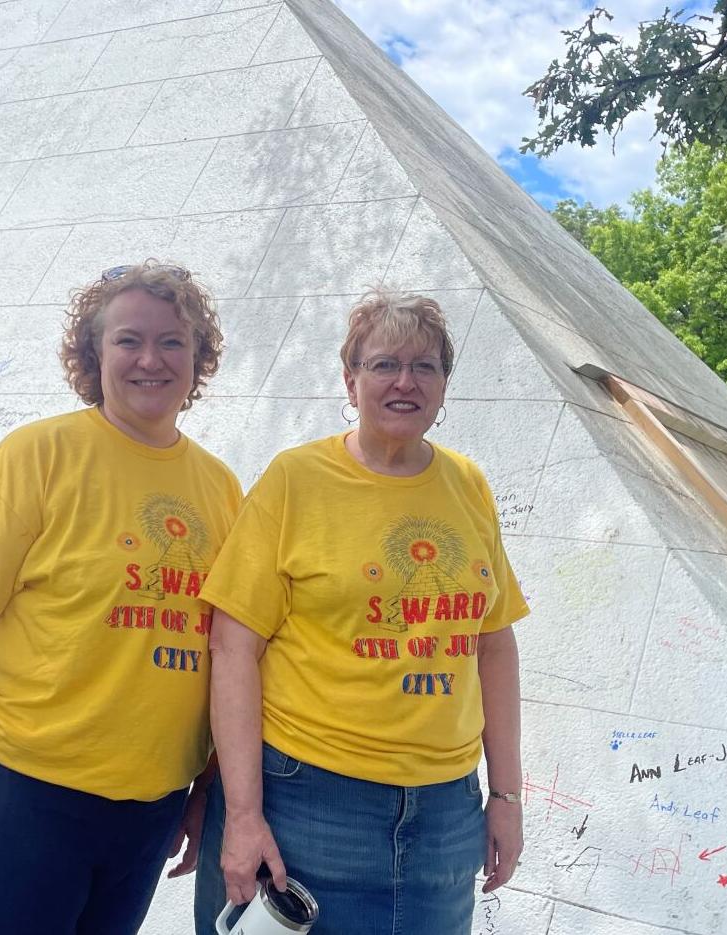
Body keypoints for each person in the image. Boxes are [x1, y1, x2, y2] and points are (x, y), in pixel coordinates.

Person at [0, 261, 242, 934]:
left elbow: (226, 651)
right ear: (94, 353)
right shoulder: (36, 457)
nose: (151, 358)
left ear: (198, 358)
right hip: (19, 799)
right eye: (128, 340)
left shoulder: (222, 490)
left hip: (147, 815)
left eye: (173, 341)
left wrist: (208, 786)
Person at [194, 289, 530, 934]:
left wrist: (506, 796)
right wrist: (242, 813)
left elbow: (493, 643)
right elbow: (233, 648)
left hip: (445, 814)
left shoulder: (468, 484)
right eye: (384, 364)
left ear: (443, 386)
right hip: (306, 802)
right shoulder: (295, 481)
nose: (405, 381)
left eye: (425, 366)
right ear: (350, 381)